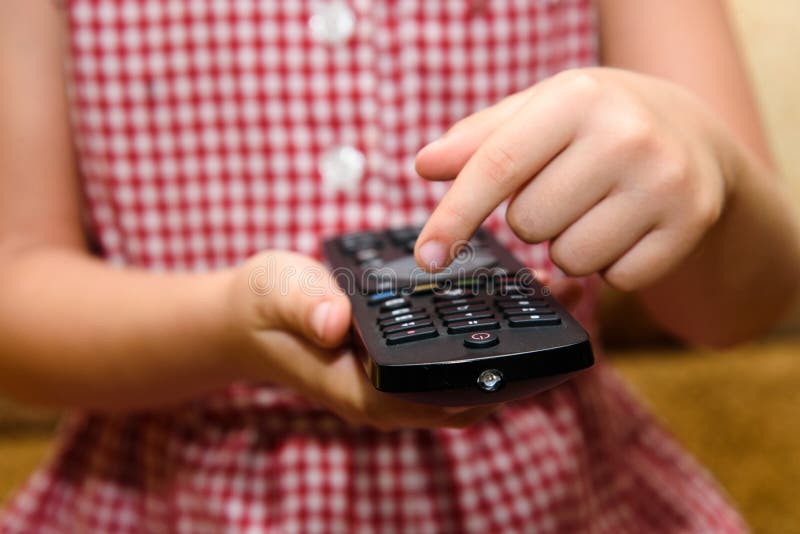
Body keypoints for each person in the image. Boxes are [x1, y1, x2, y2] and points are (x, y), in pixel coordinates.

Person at [1, 0, 798, 532]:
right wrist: (226, 328)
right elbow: (19, 287)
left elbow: (732, 313)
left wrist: (707, 158)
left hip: (556, 486)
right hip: (171, 496)